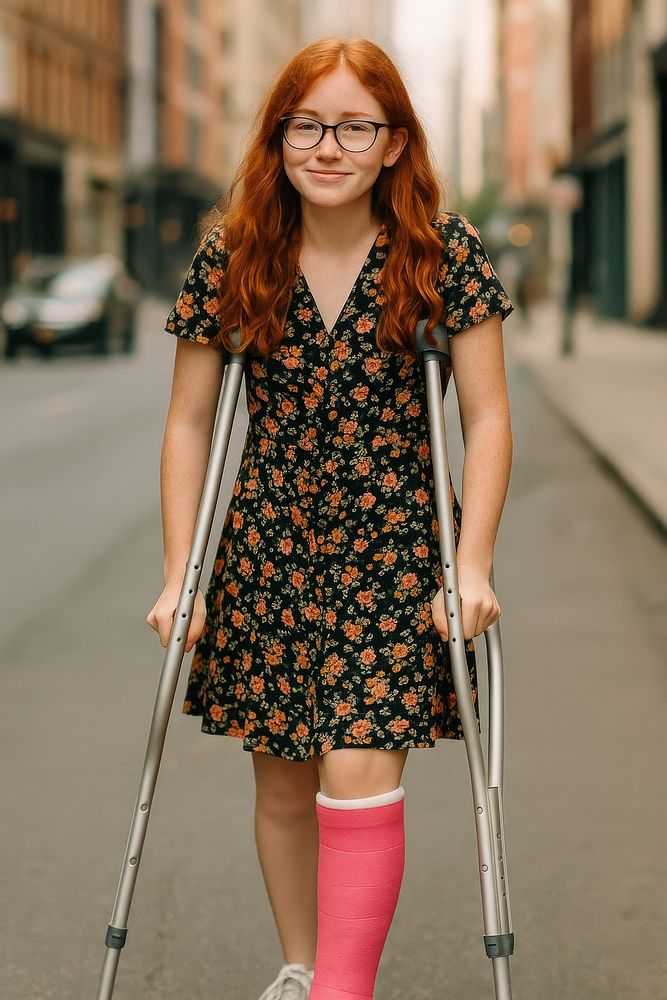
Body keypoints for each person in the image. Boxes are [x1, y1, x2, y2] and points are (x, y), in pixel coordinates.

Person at [147, 35, 514, 1000]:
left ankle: (340, 991)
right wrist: (181, 574)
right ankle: (303, 967)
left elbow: (485, 418)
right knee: (282, 782)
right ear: (277, 139)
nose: (327, 146)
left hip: (396, 552)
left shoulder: (442, 253)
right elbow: (188, 422)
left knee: (355, 773)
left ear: (393, 143)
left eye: (354, 126)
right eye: (305, 125)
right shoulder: (235, 255)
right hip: (268, 548)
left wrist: (471, 564)